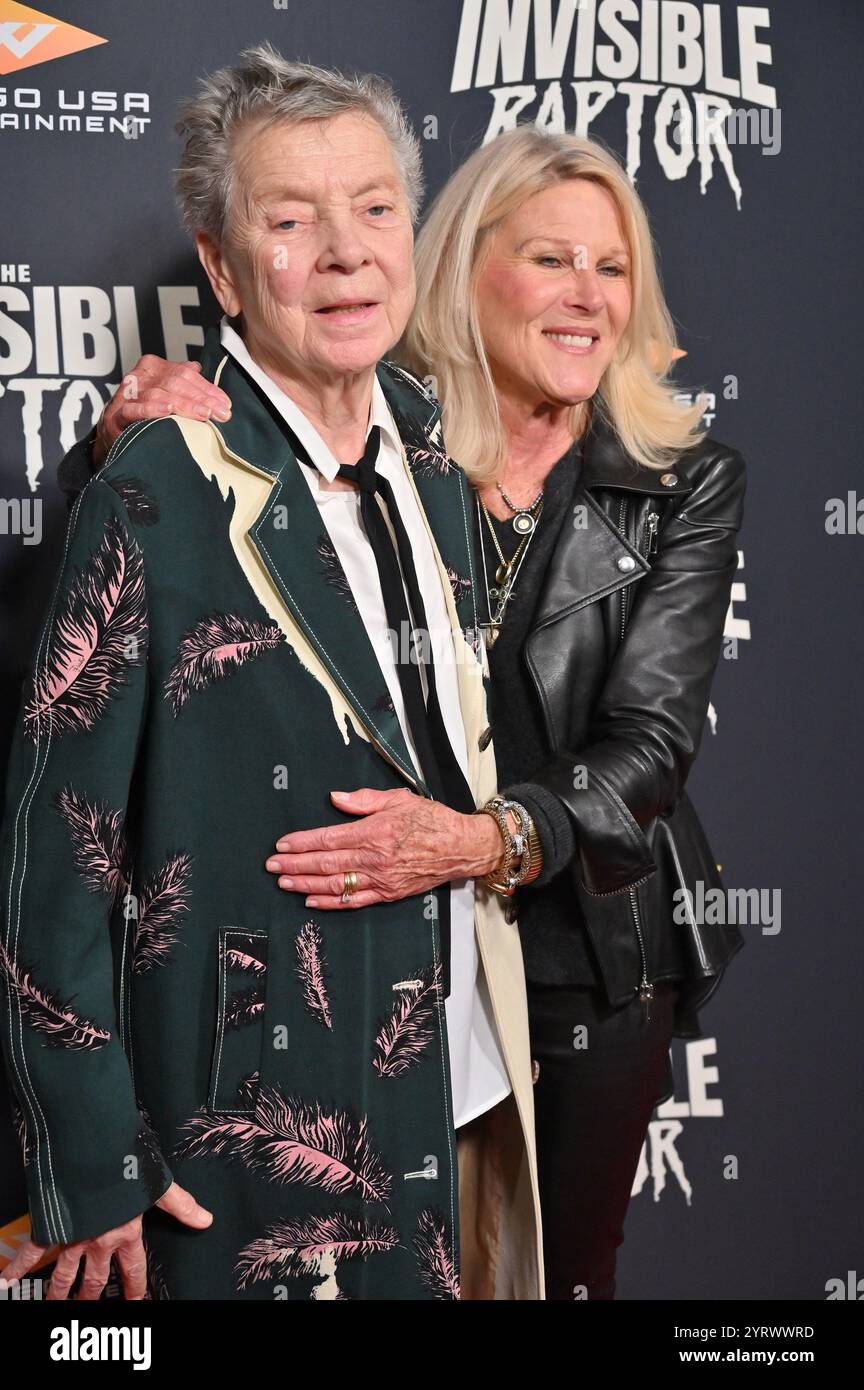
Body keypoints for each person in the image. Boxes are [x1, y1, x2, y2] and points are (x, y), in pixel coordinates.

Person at [52, 128, 747, 1299]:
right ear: (463, 270)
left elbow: (652, 744)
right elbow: (136, 638)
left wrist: (482, 841)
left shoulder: (681, 476)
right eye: (551, 260)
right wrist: (107, 459)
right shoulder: (375, 442)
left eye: (613, 268)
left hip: (588, 940)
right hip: (378, 939)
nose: (588, 295)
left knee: (552, 1274)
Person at [0, 47, 547, 1302]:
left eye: (372, 208)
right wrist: (90, 1155)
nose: (347, 251)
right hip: (248, 1138)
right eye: (290, 221)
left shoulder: (434, 469)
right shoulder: (155, 488)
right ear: (222, 267)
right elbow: (55, 850)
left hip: (450, 1094)